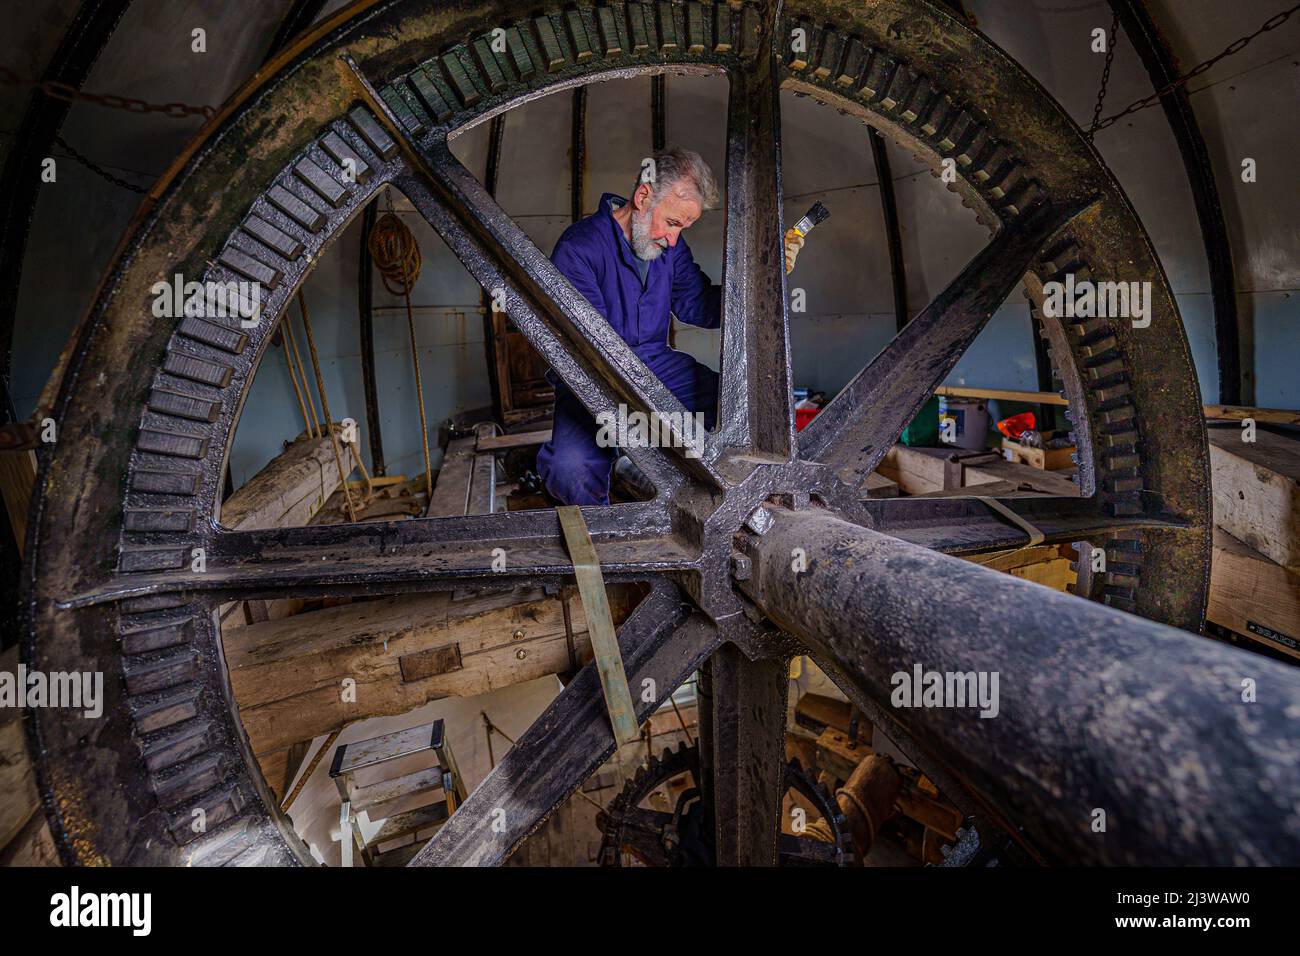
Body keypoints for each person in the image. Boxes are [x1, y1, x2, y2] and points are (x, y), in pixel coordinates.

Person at [537, 145, 804, 504]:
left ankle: (740, 504)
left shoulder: (670, 248)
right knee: (571, 470)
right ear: (643, 196)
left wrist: (762, 282)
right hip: (590, 375)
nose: (674, 239)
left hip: (655, 363)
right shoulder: (579, 248)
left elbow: (698, 305)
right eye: (673, 223)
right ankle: (608, 546)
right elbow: (589, 352)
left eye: (684, 227)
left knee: (742, 411)